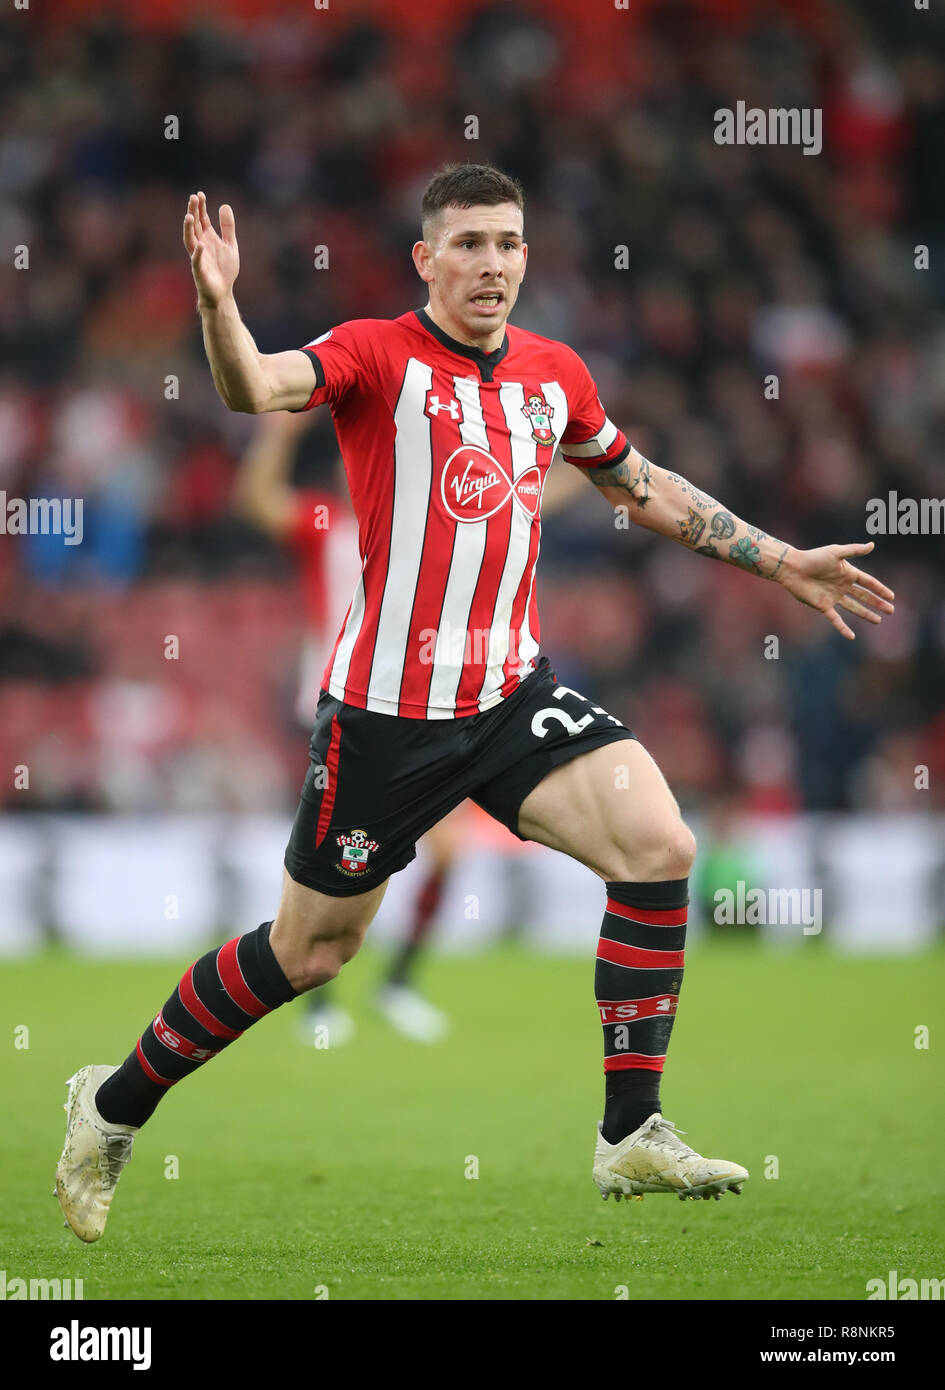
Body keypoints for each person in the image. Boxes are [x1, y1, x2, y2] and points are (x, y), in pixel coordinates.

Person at [55, 164, 894, 1241]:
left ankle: (629, 1129)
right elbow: (252, 389)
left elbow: (646, 488)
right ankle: (113, 1102)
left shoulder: (556, 376)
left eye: (508, 242)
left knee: (658, 843)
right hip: (384, 718)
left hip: (509, 695)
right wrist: (220, 305)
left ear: (526, 255)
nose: (492, 263)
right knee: (311, 952)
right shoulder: (372, 352)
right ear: (427, 259)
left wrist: (783, 563)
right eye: (469, 245)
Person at [233, 409, 452, 1045]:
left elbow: (521, 504)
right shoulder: (325, 526)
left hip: (416, 710)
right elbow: (255, 501)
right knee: (334, 858)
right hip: (337, 705)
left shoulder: (420, 528)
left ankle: (399, 983)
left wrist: (595, 470)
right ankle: (317, 1003)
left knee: (446, 848)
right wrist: (277, 430)